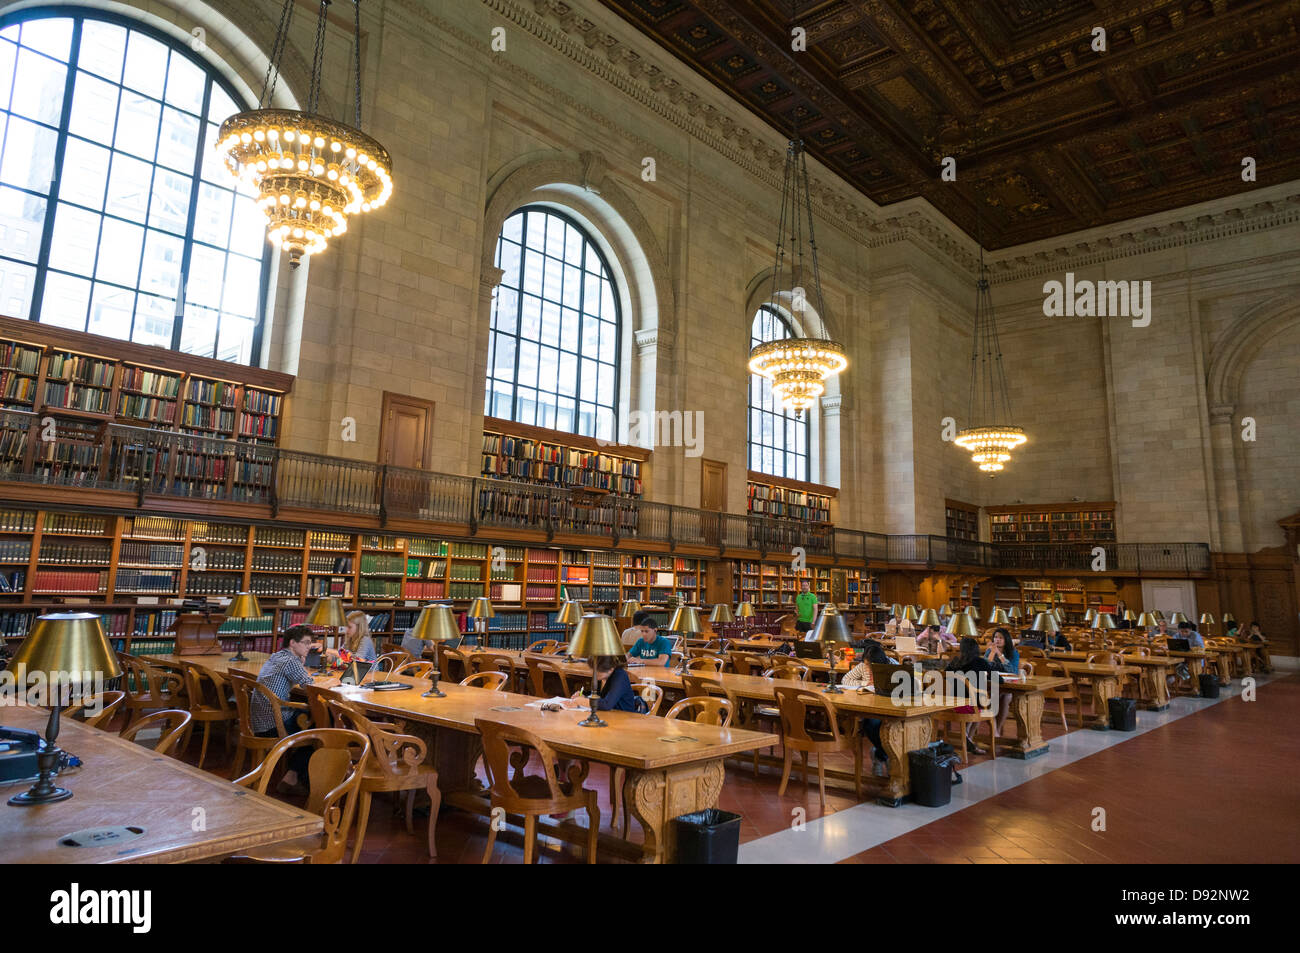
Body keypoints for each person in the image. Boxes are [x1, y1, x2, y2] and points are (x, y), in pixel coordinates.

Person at [252, 625, 317, 793]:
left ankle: (294, 775)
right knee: (319, 727)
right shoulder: (290, 661)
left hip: (260, 722)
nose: (309, 646)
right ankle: (294, 776)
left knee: (309, 718)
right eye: (306, 643)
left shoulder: (277, 656)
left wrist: (300, 662)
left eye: (310, 643)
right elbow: (309, 686)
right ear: (293, 643)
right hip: (274, 724)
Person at [944, 637, 1002, 754]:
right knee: (982, 706)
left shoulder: (955, 661)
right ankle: (967, 739)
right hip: (970, 706)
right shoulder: (980, 662)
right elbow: (999, 680)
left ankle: (968, 740)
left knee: (978, 705)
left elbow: (945, 673)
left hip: (951, 705)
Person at [842, 640, 892, 776]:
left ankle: (880, 755)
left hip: (890, 707)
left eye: (871, 666)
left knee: (887, 726)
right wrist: (865, 683)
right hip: (869, 705)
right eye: (867, 665)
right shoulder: (863, 666)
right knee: (869, 724)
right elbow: (845, 680)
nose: (868, 669)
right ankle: (885, 756)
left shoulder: (892, 665)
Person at [570, 656, 644, 712]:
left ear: (611, 669)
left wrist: (583, 701)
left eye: (598, 673)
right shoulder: (601, 676)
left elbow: (606, 704)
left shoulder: (620, 676)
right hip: (608, 716)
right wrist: (584, 696)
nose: (595, 675)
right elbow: (598, 695)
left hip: (624, 718)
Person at [982, 628, 1019, 734]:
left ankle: (996, 730)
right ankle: (995, 730)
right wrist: (992, 653)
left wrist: (999, 654)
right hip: (991, 685)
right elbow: (984, 667)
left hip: (1007, 685)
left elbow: (1012, 671)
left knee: (1006, 697)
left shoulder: (1013, 653)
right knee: (994, 698)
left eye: (1001, 638)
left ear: (1006, 640)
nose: (997, 640)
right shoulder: (990, 651)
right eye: (996, 637)